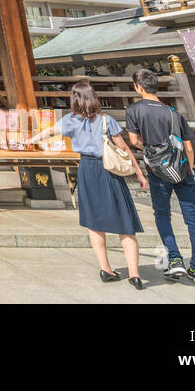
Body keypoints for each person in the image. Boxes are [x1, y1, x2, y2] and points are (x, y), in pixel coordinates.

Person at [25, 80, 149, 288]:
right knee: (124, 221)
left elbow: (49, 132)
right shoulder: (106, 120)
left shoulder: (71, 121)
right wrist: (139, 173)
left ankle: (105, 268)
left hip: (88, 170)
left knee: (94, 223)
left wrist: (32, 140)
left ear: (74, 100)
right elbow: (124, 148)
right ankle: (134, 274)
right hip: (109, 170)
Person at [126, 67, 195, 286]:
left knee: (162, 214)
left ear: (138, 87)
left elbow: (133, 140)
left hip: (158, 170)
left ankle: (175, 259)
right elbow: (189, 147)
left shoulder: (135, 110)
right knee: (192, 217)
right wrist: (187, 169)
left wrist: (150, 149)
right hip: (182, 170)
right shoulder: (173, 112)